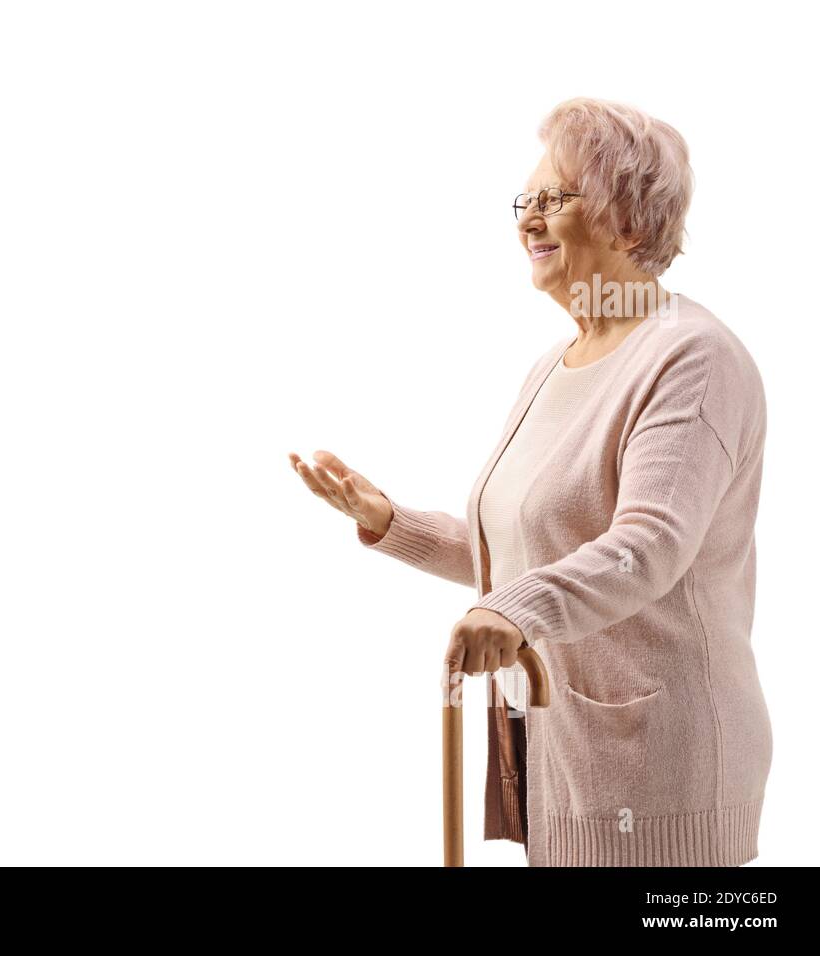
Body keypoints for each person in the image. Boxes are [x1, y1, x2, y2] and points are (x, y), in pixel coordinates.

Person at [290, 97, 772, 866]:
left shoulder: (692, 358)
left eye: (555, 200)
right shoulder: (554, 365)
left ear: (630, 224)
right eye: (527, 201)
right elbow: (525, 552)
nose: (528, 220)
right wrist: (392, 522)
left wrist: (511, 611)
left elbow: (648, 545)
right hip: (556, 751)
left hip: (658, 769)